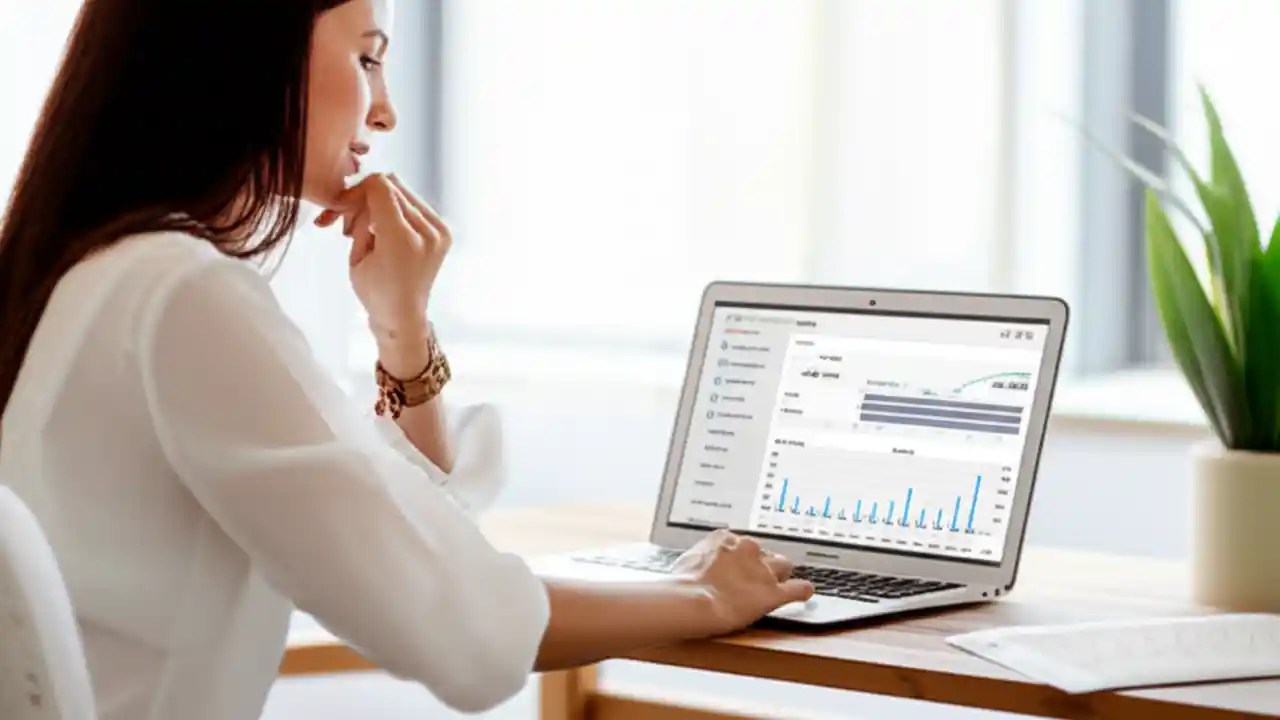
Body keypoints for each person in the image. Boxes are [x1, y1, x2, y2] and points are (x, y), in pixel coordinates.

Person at [0, 1, 814, 718]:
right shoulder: (181, 295)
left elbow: (412, 538)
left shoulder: (100, 273)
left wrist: (402, 326)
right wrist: (702, 593)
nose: (384, 112)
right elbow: (451, 622)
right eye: (366, 57)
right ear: (253, 44)